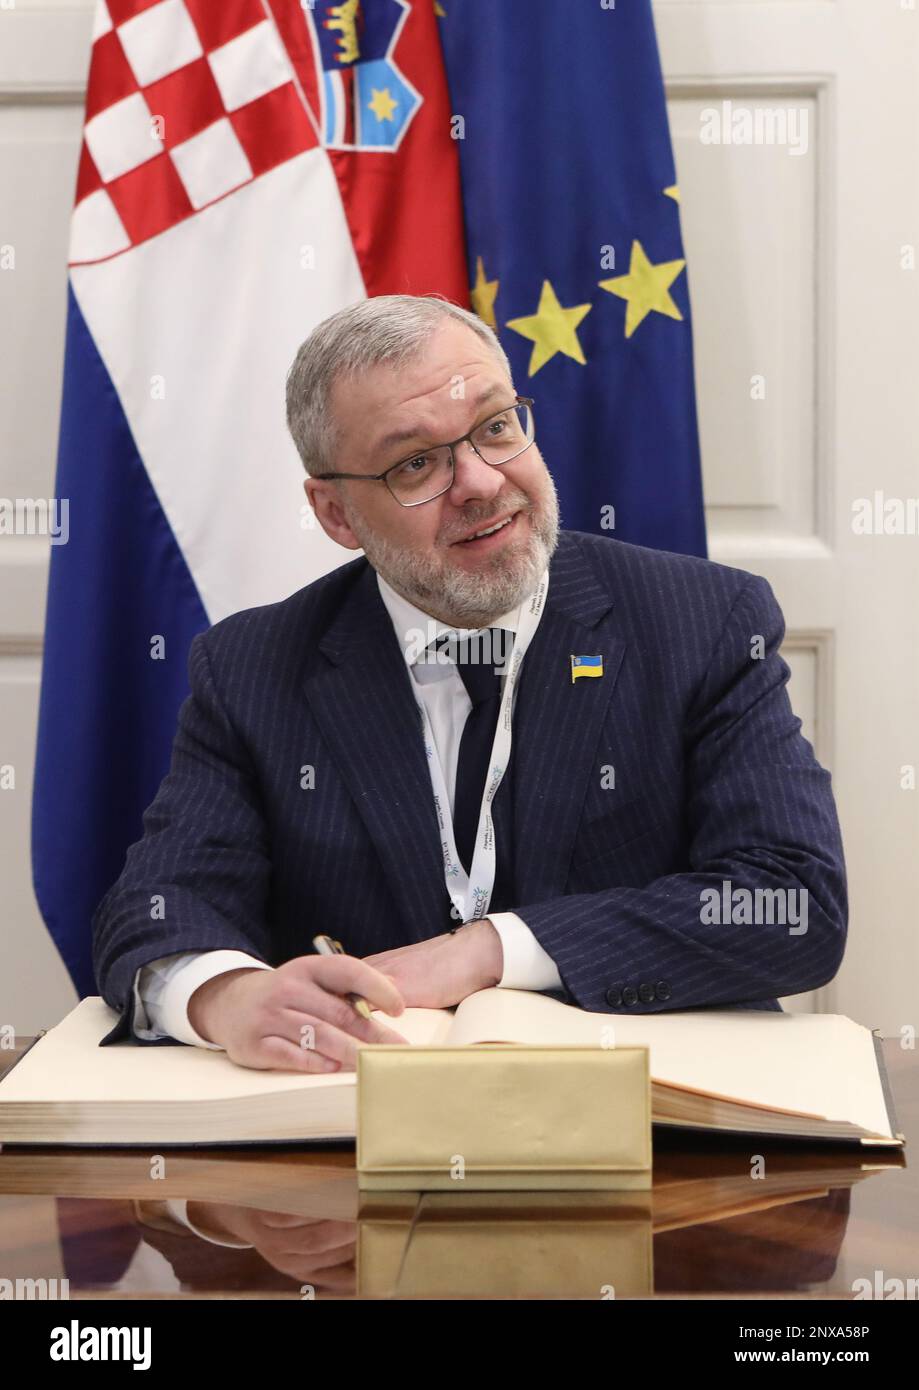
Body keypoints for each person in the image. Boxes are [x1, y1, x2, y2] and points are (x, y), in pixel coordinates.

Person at [92, 293, 847, 1073]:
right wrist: (225, 995)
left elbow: (793, 903)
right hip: (346, 1148)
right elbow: (156, 905)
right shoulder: (254, 666)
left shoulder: (702, 622)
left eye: (494, 427)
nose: (481, 483)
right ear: (337, 514)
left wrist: (493, 950)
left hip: (652, 1132)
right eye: (416, 463)